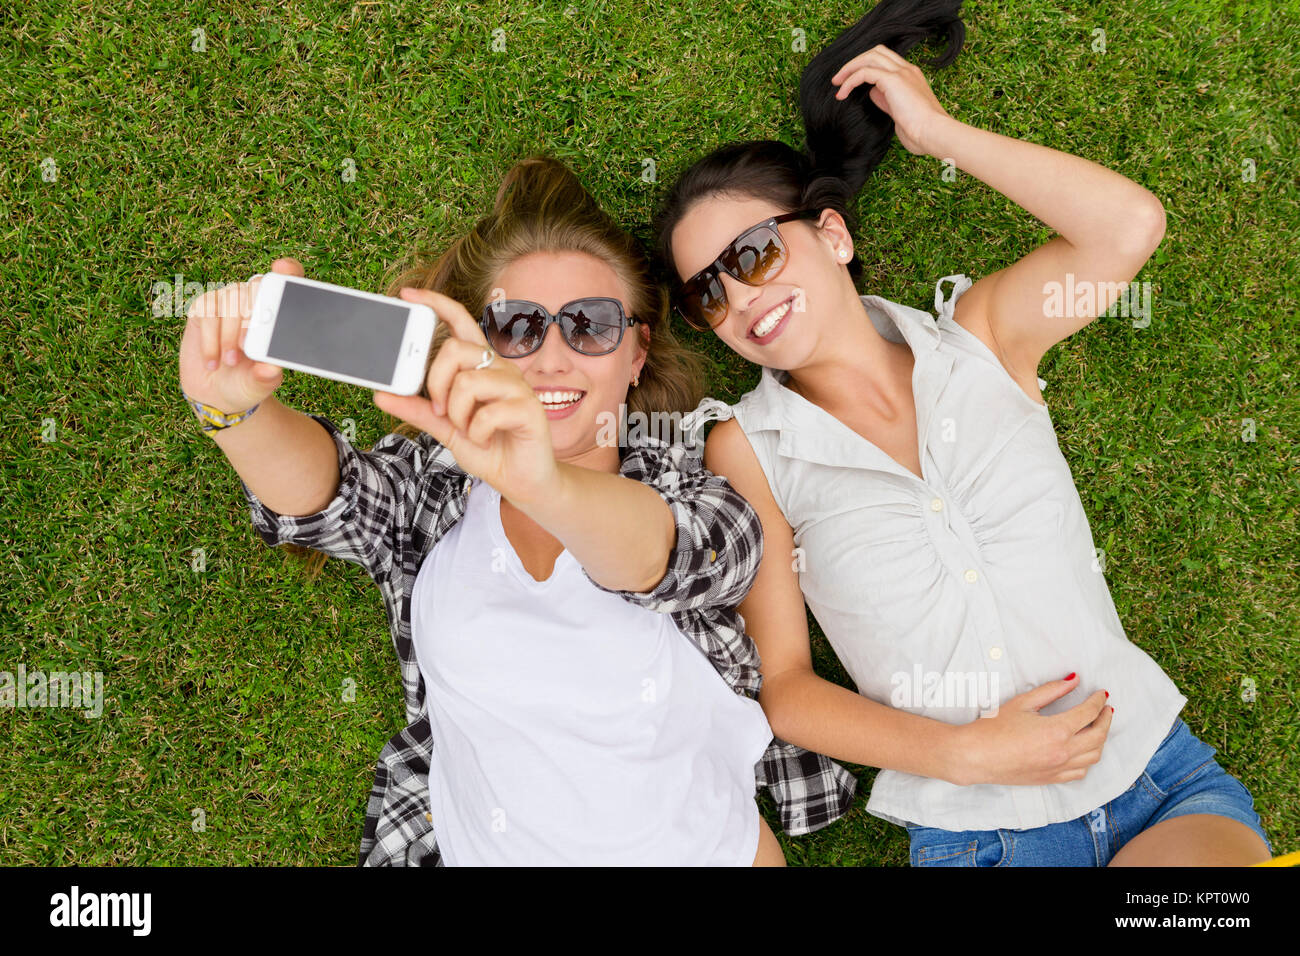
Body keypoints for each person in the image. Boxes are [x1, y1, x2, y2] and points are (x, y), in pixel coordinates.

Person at [655, 0, 1271, 865]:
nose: (741, 298)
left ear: (832, 235)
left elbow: (1129, 228)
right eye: (706, 292)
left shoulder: (983, 340)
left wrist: (942, 136)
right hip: (980, 833)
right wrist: (968, 753)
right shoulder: (748, 448)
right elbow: (787, 689)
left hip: (1156, 785)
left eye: (755, 253)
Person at [176, 156, 855, 865]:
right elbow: (329, 500)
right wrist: (236, 410)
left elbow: (681, 556)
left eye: (590, 325)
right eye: (517, 327)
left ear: (636, 353)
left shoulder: (697, 483)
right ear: (481, 348)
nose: (552, 358)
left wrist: (542, 485)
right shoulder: (437, 491)